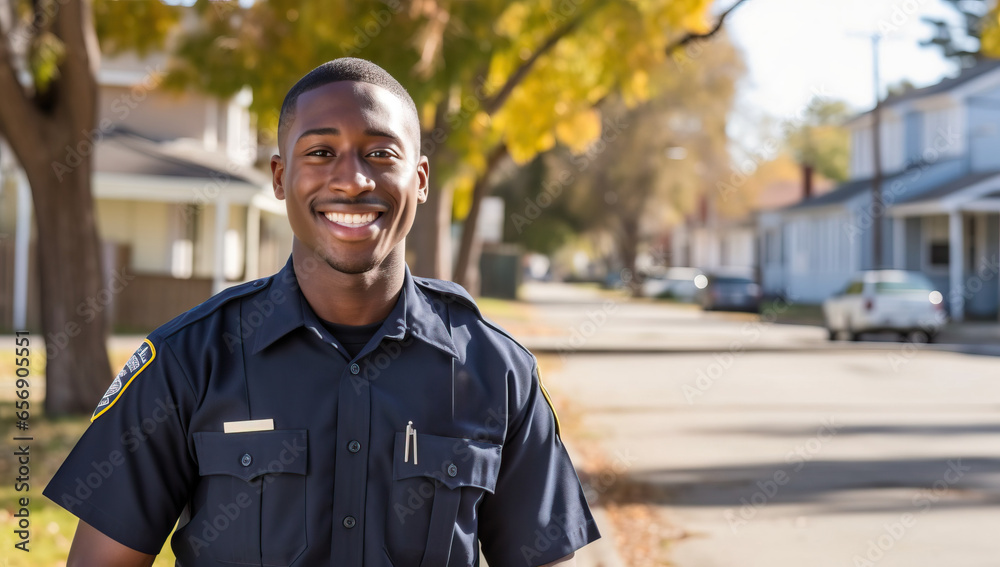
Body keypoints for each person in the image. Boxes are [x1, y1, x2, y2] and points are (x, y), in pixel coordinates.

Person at [44, 58, 599, 567]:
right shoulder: (187, 360)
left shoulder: (497, 372)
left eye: (381, 153)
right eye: (320, 152)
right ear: (281, 177)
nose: (353, 179)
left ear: (421, 180)